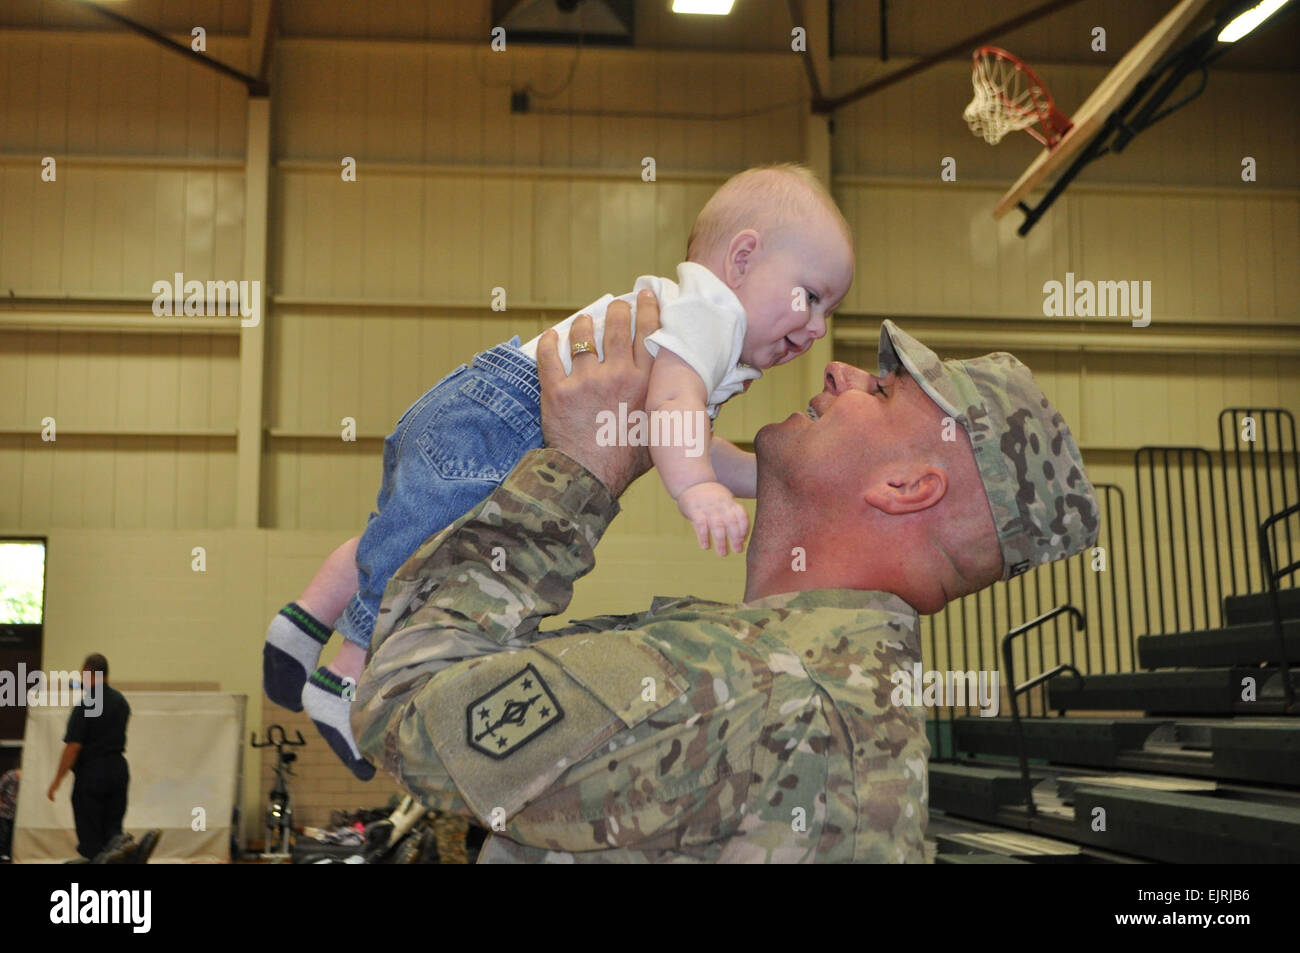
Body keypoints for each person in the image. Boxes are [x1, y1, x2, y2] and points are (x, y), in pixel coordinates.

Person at [349, 296, 1100, 862]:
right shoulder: (791, 675)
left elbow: (404, 708)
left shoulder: (752, 686)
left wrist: (581, 471)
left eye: (878, 391)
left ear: (907, 486)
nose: (838, 370)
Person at [263, 164, 856, 780]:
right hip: (505, 419)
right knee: (419, 559)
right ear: (743, 256)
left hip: (475, 404)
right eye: (810, 296)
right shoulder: (714, 313)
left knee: (396, 534)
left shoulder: (697, 324)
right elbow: (674, 409)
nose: (817, 327)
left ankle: (300, 625)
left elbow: (687, 436)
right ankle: (343, 679)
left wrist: (769, 477)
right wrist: (698, 488)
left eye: (829, 309)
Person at [47, 654, 131, 861]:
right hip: (118, 770)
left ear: (88, 673)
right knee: (113, 834)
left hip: (92, 774)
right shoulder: (121, 702)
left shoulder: (87, 704)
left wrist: (57, 780)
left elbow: (73, 747)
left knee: (91, 837)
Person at [0, 763, 18, 860]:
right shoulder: (10, 775)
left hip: (17, 814)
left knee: (12, 834)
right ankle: (2, 853)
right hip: (4, 811)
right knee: (3, 833)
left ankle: (9, 854)